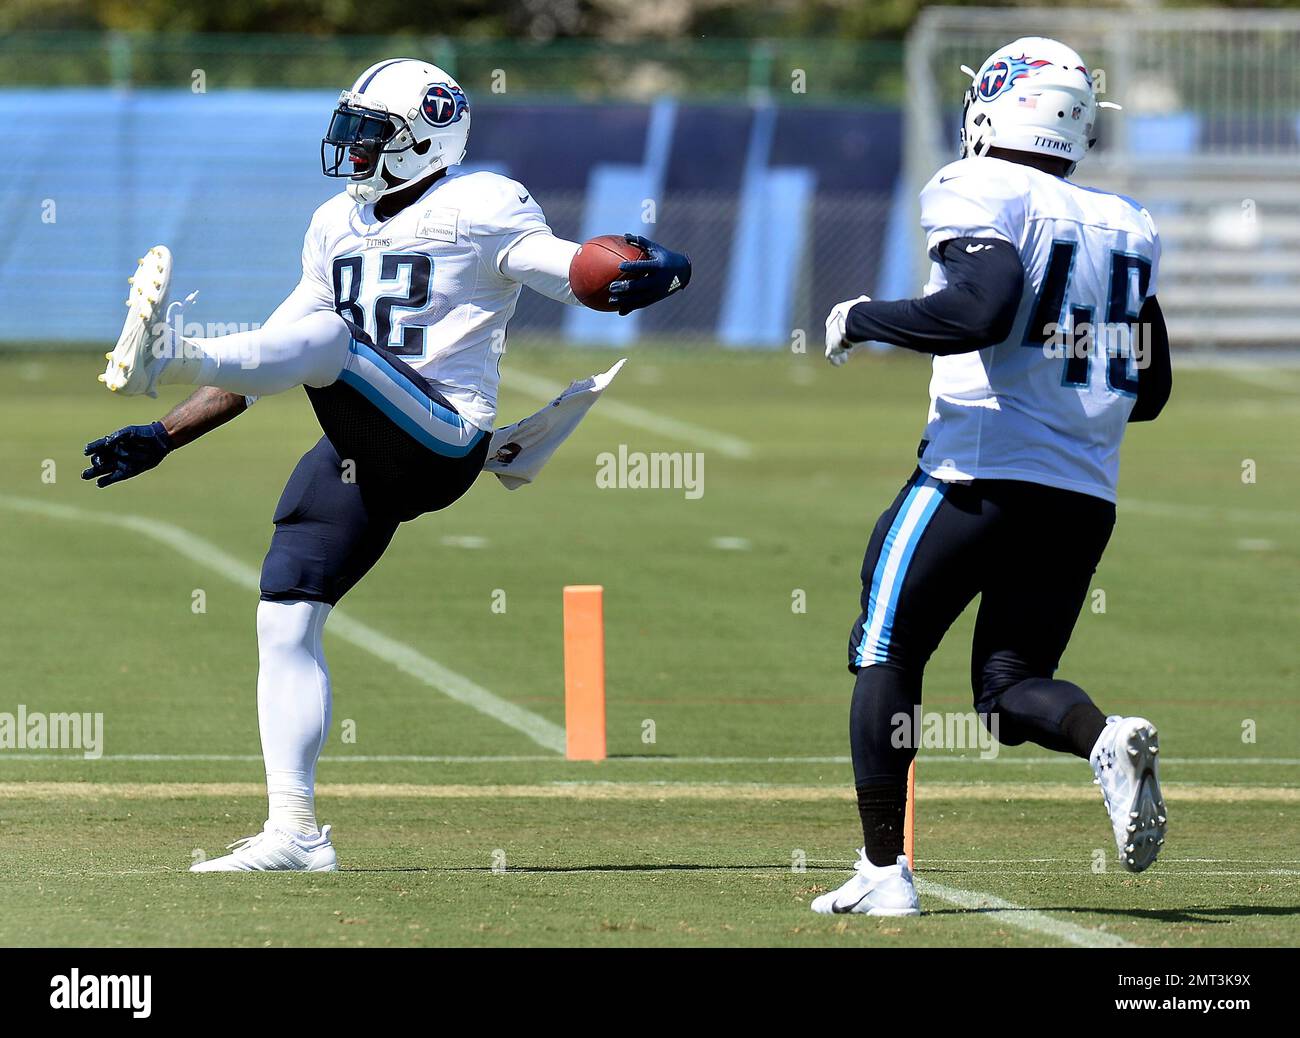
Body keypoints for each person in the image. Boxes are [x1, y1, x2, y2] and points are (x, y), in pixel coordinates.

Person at [82, 58, 691, 872]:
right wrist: (164, 435)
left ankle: (177, 349)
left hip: (442, 437)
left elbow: (566, 270)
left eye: (372, 133)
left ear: (426, 139)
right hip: (360, 447)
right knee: (284, 616)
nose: (353, 147)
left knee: (337, 344)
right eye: (352, 128)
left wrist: (625, 270)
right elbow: (278, 347)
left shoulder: (478, 202)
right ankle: (294, 831)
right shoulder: (336, 221)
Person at [813, 37, 1170, 916]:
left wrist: (865, 317)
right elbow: (1151, 389)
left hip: (973, 474)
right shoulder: (1127, 220)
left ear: (996, 104)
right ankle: (1103, 737)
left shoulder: (976, 184)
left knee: (884, 648)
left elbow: (980, 306)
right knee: (1010, 696)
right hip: (1082, 493)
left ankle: (884, 873)